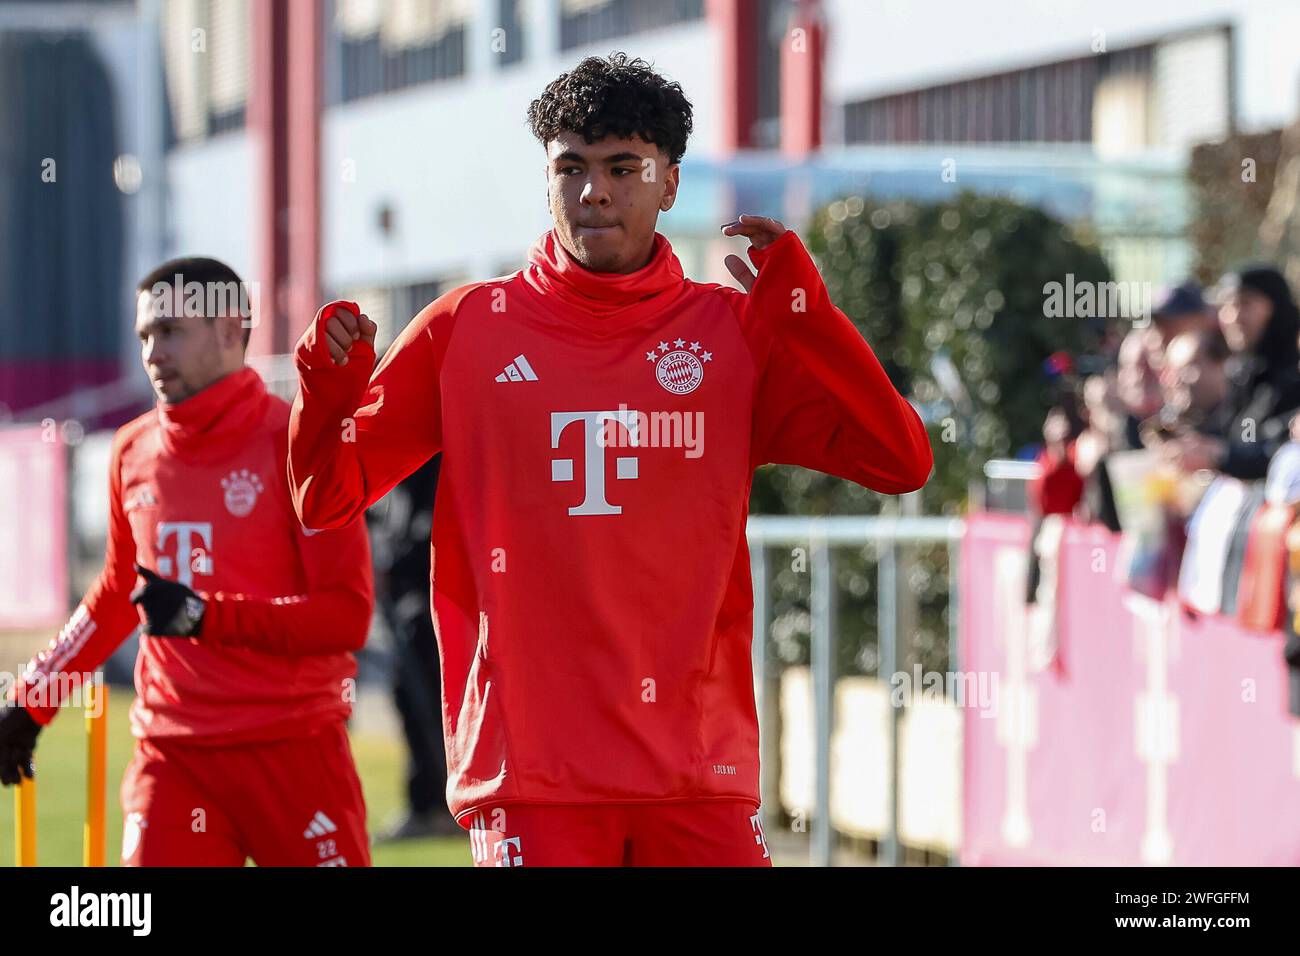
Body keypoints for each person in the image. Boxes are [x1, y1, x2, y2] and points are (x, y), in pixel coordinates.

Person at [286, 54, 932, 867]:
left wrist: (808, 318)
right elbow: (324, 496)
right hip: (534, 776)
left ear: (669, 184)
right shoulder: (465, 329)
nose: (594, 191)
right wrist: (327, 389)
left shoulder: (730, 333)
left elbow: (901, 458)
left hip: (698, 769)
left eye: (624, 168)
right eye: (572, 168)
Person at [0, 258, 374, 866]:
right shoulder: (132, 450)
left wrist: (208, 616)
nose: (152, 352)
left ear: (231, 331)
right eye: (145, 335)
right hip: (173, 756)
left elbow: (346, 616)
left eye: (171, 331)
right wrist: (35, 697)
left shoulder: (299, 441)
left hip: (294, 750)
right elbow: (119, 592)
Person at [367, 454, 458, 840]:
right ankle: (426, 802)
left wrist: (394, 564)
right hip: (405, 599)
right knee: (409, 699)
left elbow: (430, 525)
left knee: (438, 705)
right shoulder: (402, 458)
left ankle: (447, 804)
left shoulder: (437, 453)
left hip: (429, 598)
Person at [1163, 266, 1300, 479]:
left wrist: (1220, 456)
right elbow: (1241, 435)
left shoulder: (1293, 376)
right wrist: (1191, 441)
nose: (1233, 316)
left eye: (1245, 303)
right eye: (1227, 305)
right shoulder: (1244, 375)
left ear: (1276, 307)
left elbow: (1285, 452)